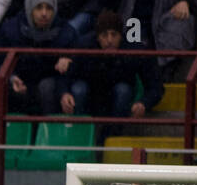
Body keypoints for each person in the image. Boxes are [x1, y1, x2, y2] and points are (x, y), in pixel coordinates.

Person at [62, 8, 164, 139]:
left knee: (123, 90)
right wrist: (64, 93)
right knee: (78, 89)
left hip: (119, 102)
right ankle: (79, 136)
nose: (109, 40)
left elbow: (156, 86)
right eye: (104, 35)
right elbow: (66, 77)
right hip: (91, 99)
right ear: (97, 36)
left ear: (121, 36)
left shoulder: (134, 51)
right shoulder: (84, 46)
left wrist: (144, 103)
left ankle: (112, 138)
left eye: (114, 34)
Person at [0, 0, 78, 118]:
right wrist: (12, 78)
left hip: (48, 86)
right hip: (20, 83)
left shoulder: (66, 33)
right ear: (29, 9)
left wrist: (68, 61)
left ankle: (48, 134)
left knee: (47, 87)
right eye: (39, 8)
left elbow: (71, 71)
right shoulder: (10, 30)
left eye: (49, 8)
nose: (44, 14)